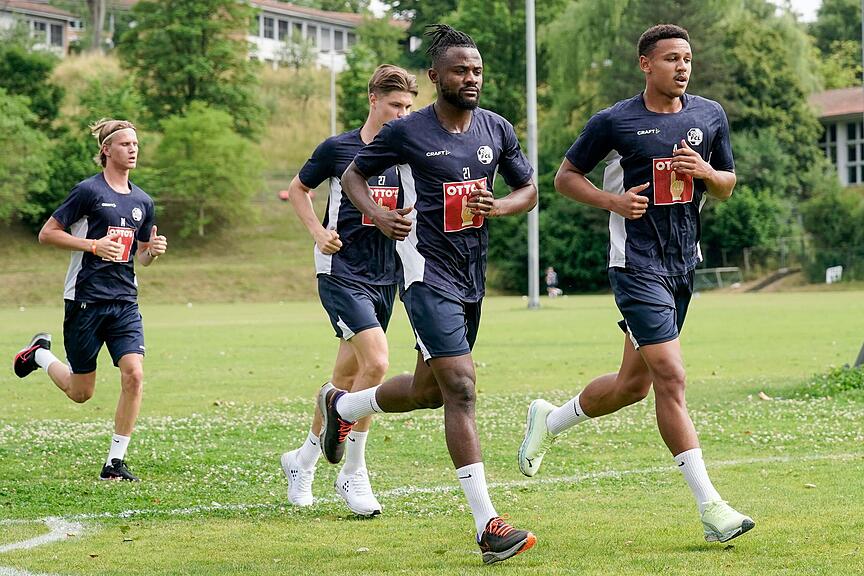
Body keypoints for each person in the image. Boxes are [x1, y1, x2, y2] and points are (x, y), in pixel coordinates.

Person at [518, 24, 754, 544]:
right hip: (635, 265)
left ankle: (548, 420)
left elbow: (729, 185)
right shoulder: (615, 121)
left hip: (682, 264)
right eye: (671, 58)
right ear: (646, 64)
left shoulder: (708, 115)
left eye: (687, 58)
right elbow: (564, 178)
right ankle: (711, 507)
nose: (682, 66)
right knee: (671, 377)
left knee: (633, 385)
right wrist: (615, 202)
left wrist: (707, 174)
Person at [317, 25, 538, 564]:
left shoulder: (496, 128)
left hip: (472, 274)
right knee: (461, 388)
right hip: (424, 273)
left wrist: (501, 207)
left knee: (429, 391)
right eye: (461, 70)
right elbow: (351, 176)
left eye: (478, 70)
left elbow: (528, 189)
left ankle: (343, 405)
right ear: (436, 76)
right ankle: (488, 524)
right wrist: (378, 213)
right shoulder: (408, 132)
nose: (472, 78)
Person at [280, 65, 418, 516]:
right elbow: (298, 190)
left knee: (344, 380)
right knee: (377, 362)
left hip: (387, 275)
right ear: (373, 99)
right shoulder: (338, 149)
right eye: (395, 105)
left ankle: (301, 461)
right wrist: (318, 232)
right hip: (340, 270)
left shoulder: (411, 154)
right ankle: (353, 472)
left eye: (409, 107)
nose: (402, 114)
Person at [13, 119, 167, 482]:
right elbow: (47, 234)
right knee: (81, 392)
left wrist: (153, 252)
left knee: (134, 375)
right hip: (85, 300)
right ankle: (39, 354)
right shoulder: (87, 191)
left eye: (136, 144)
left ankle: (115, 462)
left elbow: (140, 256)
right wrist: (92, 245)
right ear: (106, 150)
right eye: (125, 144)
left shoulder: (143, 201)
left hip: (124, 302)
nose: (133, 149)